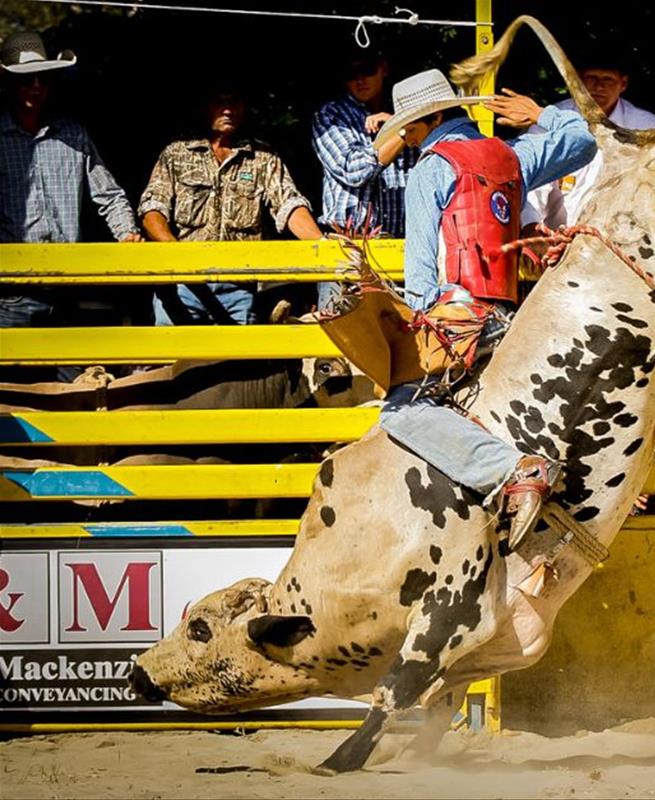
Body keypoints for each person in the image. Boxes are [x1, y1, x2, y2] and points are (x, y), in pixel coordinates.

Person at [373, 69, 596, 545]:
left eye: (411, 127)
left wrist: (418, 327)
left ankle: (511, 469)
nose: (408, 137)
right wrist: (541, 114)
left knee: (400, 411)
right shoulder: (510, 155)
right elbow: (582, 140)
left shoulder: (430, 170)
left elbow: (420, 277)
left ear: (433, 117)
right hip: (509, 316)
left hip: (459, 317)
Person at [139, 83, 322, 325]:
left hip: (240, 287)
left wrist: (322, 243)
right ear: (205, 106)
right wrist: (175, 253)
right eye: (220, 102)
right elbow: (152, 208)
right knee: (174, 358)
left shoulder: (262, 158)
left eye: (234, 102)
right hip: (183, 286)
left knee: (239, 361)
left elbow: (288, 204)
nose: (228, 110)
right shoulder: (176, 153)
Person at [0, 32, 141, 331]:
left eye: (43, 78)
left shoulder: (73, 134)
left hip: (68, 283)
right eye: (27, 80)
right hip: (11, 289)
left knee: (76, 375)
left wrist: (127, 234)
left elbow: (109, 194)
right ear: (9, 85)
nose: (36, 87)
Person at [521, 50, 655, 229]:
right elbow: (532, 190)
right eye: (592, 78)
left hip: (625, 241)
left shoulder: (648, 128)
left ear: (623, 84)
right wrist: (532, 229)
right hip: (558, 241)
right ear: (578, 81)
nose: (598, 86)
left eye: (608, 79)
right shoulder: (546, 123)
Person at [312, 49, 408, 310]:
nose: (359, 79)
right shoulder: (331, 115)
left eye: (366, 70)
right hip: (346, 247)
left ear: (383, 68)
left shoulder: (408, 113)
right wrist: (401, 132)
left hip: (401, 249)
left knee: (403, 342)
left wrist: (402, 123)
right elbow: (355, 170)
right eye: (349, 74)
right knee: (340, 340)